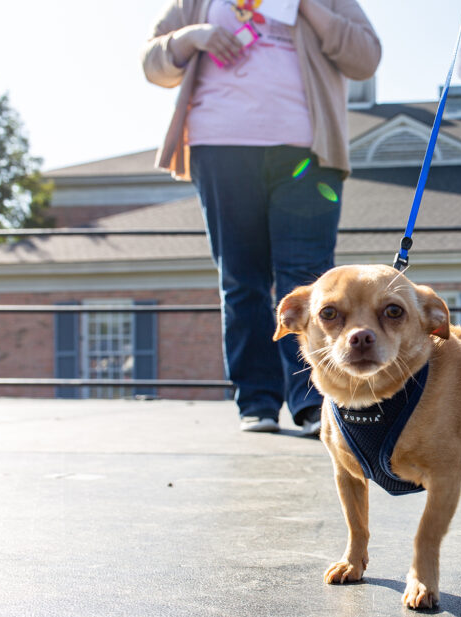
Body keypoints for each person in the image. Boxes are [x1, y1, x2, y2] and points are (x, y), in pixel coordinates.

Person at [142, 0, 380, 434]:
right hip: (220, 147)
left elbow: (366, 58)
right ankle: (256, 401)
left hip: (308, 152)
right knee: (241, 278)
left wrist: (310, 7)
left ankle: (312, 400)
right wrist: (193, 36)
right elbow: (153, 62)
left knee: (308, 279)